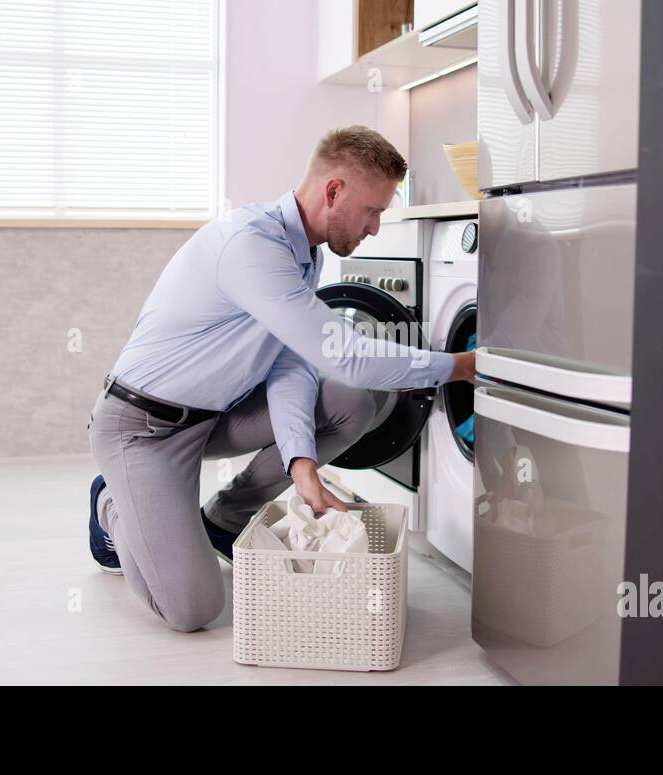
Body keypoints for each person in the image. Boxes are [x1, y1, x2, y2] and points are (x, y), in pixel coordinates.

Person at [86, 126, 477, 632]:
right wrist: (459, 366)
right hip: (142, 428)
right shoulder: (252, 245)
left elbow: (290, 364)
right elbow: (350, 355)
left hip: (215, 418)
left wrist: (302, 464)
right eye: (373, 211)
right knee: (194, 610)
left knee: (353, 402)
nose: (377, 228)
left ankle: (222, 519)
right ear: (333, 191)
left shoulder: (307, 255)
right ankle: (111, 502)